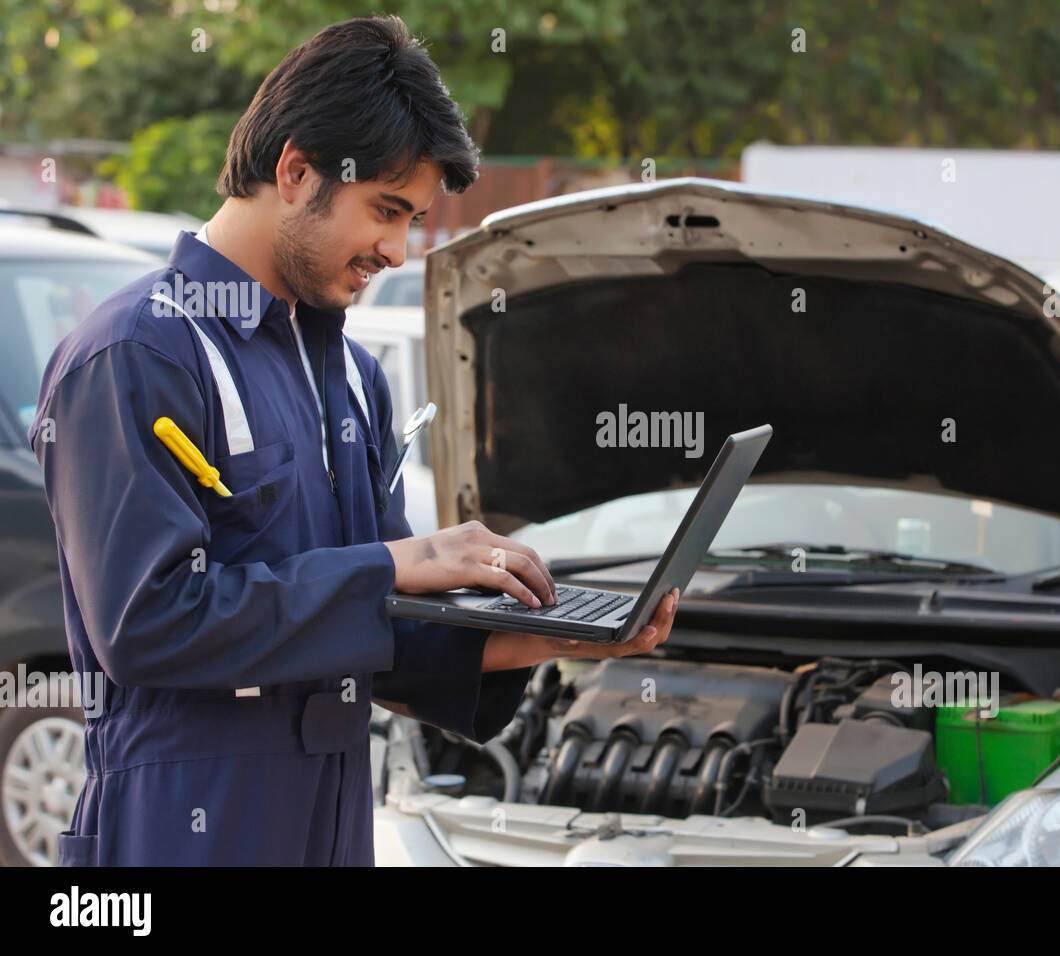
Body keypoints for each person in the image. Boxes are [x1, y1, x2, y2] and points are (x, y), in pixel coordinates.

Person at [27, 14, 678, 866]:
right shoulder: (138, 355)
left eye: (411, 219)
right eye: (386, 210)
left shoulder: (351, 381)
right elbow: (146, 623)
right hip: (179, 828)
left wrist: (561, 636)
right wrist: (396, 564)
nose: (398, 250)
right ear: (295, 171)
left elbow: (374, 633)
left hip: (333, 827)